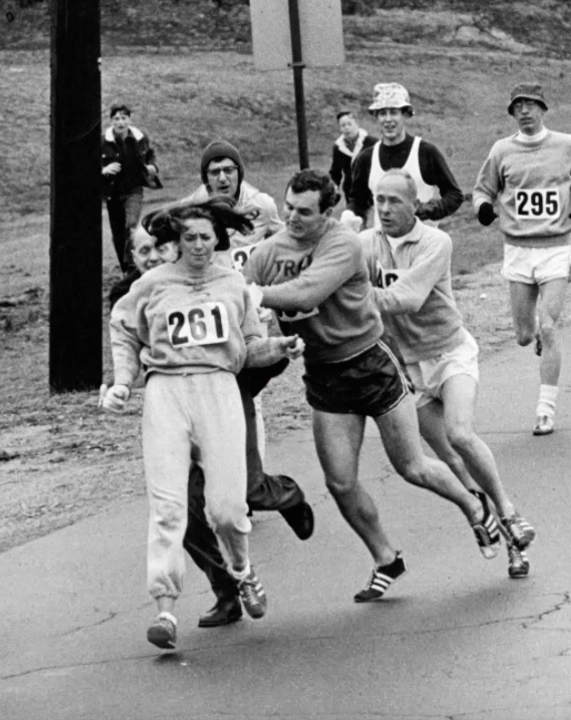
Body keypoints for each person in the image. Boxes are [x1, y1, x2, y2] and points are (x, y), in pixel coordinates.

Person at [243, 169, 501, 603]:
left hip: (371, 364)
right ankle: (386, 558)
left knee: (412, 466)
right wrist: (251, 326)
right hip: (325, 374)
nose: (293, 218)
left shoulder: (343, 244)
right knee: (340, 483)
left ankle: (474, 505)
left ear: (328, 213)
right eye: (289, 207)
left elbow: (307, 292)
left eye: (305, 212)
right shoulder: (268, 252)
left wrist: (254, 295)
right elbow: (238, 294)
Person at [102, 199, 304, 650]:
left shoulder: (234, 285)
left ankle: (242, 571)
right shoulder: (152, 284)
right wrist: (122, 380)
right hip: (167, 392)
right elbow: (122, 327)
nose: (196, 245)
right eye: (188, 237)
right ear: (175, 241)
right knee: (169, 505)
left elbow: (250, 346)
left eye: (205, 237)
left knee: (227, 509)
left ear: (218, 240)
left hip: (218, 389)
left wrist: (279, 347)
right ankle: (165, 609)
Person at [361, 170, 538, 579]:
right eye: (378, 201)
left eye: (394, 202)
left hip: (449, 353)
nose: (384, 209)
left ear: (414, 205)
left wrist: (352, 295)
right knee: (453, 464)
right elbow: (329, 260)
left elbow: (407, 298)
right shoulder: (366, 245)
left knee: (460, 434)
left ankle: (508, 513)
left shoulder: (436, 242)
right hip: (407, 365)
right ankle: (499, 533)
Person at [472, 83, 571, 436]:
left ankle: (545, 409)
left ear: (543, 109)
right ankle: (539, 337)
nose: (525, 112)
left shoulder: (566, 145)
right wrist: (483, 207)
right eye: (519, 107)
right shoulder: (502, 150)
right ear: (512, 113)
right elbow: (483, 189)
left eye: (531, 106)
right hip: (517, 249)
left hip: (556, 247)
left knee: (549, 326)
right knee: (525, 336)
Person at [348, 83, 464, 230]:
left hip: (423, 245)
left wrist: (427, 209)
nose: (388, 119)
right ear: (376, 116)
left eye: (394, 112)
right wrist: (350, 215)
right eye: (383, 113)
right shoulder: (366, 158)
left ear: (405, 114)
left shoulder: (425, 152)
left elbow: (454, 195)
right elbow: (358, 202)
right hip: (385, 246)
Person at [181, 139, 284, 250]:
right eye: (215, 172)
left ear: (239, 174)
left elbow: (284, 241)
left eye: (228, 170)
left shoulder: (263, 205)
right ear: (206, 180)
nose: (222, 178)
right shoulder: (192, 206)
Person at [102, 102, 161, 274]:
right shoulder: (102, 141)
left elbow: (150, 155)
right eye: (116, 119)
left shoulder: (139, 138)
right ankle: (125, 269)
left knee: (132, 225)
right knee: (118, 232)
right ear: (111, 121)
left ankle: (133, 266)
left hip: (134, 190)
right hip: (112, 193)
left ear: (129, 119)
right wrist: (103, 170)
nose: (120, 122)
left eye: (123, 118)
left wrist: (153, 167)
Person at [328, 110, 377, 203]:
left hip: (370, 189)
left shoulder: (372, 142)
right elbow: (335, 172)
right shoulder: (338, 147)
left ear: (356, 124)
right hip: (350, 191)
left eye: (349, 124)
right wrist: (333, 187)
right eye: (343, 125)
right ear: (339, 128)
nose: (347, 128)